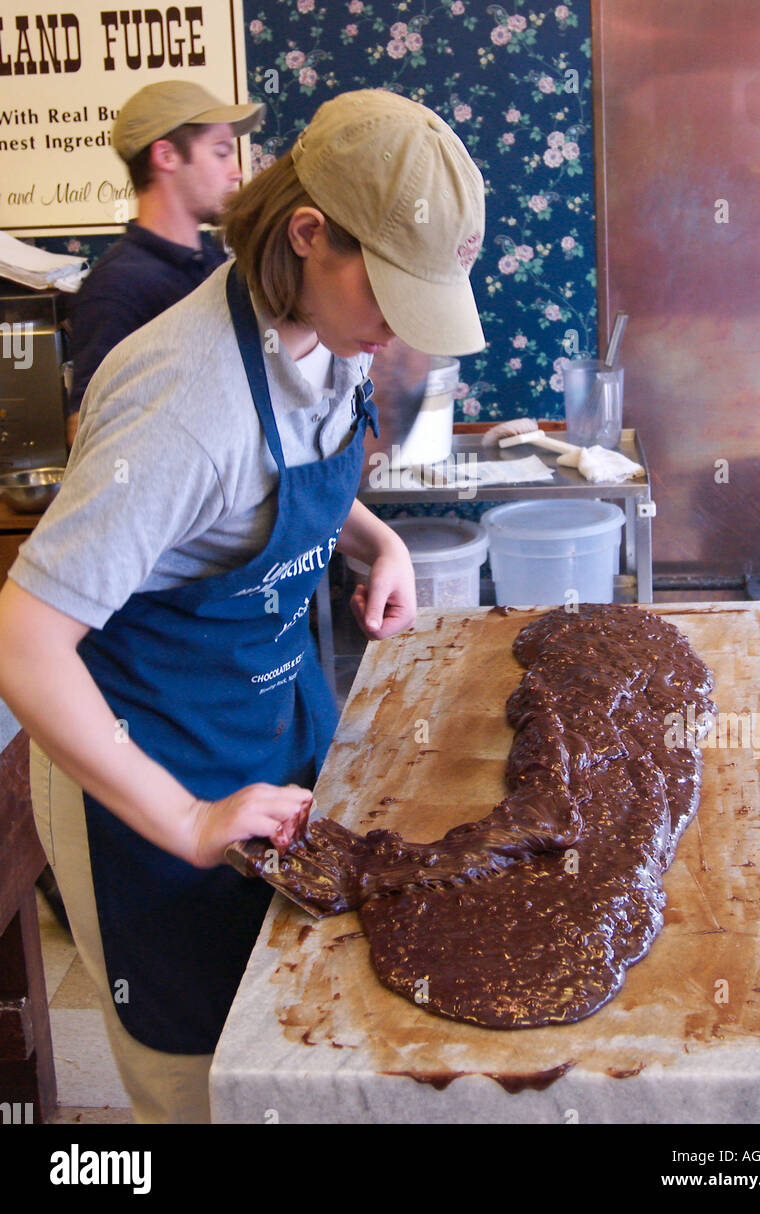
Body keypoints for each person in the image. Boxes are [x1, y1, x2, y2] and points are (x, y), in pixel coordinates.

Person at [0, 88, 486, 1124]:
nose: (399, 331)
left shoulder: (314, 330)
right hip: (150, 760)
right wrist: (180, 818)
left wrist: (373, 537)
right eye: (390, 294)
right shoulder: (182, 396)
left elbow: (274, 470)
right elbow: (26, 639)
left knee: (291, 1039)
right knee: (204, 1082)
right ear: (309, 234)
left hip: (270, 717)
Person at [65, 80, 265, 444]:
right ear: (166, 156)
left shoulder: (215, 263)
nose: (236, 171)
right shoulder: (117, 287)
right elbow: (87, 429)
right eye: (221, 152)